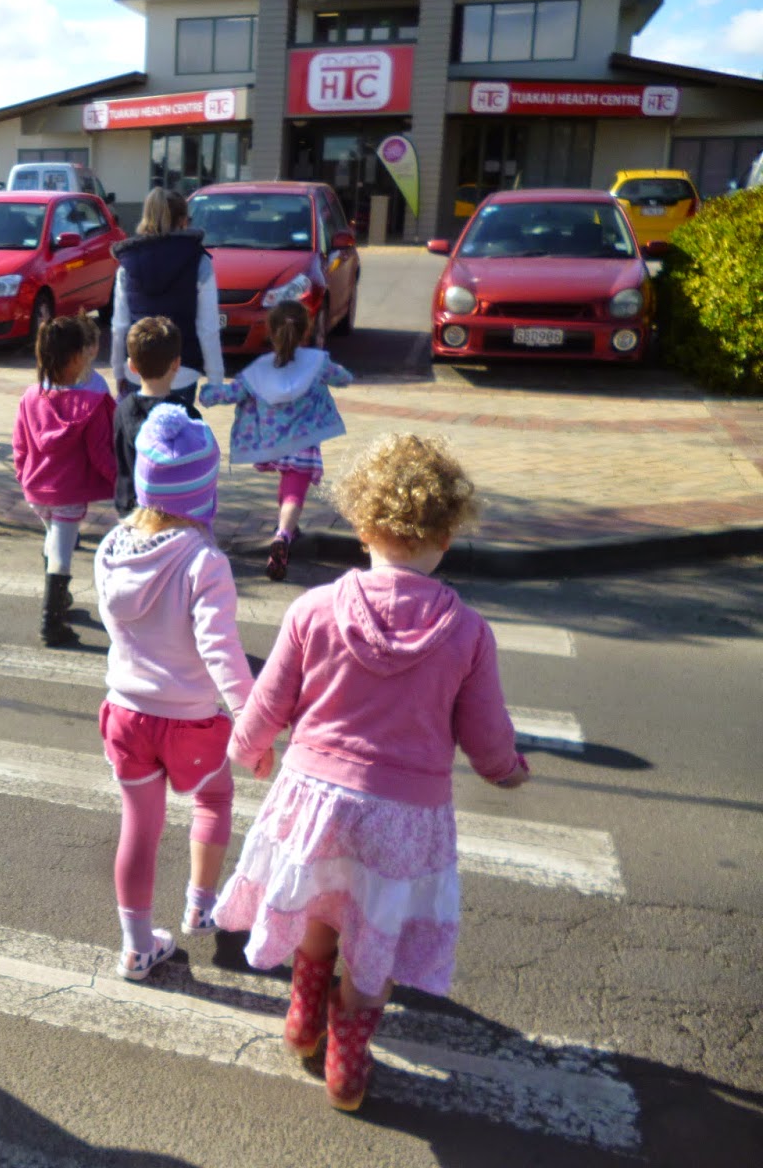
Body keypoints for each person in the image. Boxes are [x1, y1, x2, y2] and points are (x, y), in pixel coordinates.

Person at [212, 433, 530, 1111]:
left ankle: (303, 1022)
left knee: (323, 908)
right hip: (402, 815)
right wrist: (506, 769)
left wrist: (249, 748)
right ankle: (347, 1067)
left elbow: (271, 697)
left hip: (317, 799)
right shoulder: (469, 633)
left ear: (362, 528)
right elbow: (485, 733)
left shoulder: (314, 609)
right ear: (447, 535)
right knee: (373, 937)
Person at [95, 404, 256, 981]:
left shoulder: (111, 547)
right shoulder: (204, 562)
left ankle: (137, 946)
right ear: (203, 492)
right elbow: (221, 649)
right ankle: (201, 905)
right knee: (213, 799)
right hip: (190, 722)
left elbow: (117, 626)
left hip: (125, 714)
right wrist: (251, 718)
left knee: (139, 825)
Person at [200, 300, 352, 582]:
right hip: (304, 443)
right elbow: (344, 378)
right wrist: (341, 374)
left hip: (274, 445)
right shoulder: (317, 363)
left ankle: (289, 529)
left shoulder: (257, 370)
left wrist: (207, 393)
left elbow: (230, 393)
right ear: (305, 331)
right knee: (295, 492)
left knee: (287, 486)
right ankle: (283, 534)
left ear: (270, 331)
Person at [12, 314, 117, 648]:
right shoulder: (93, 403)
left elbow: (20, 444)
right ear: (76, 358)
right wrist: (122, 483)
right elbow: (101, 453)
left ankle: (61, 600)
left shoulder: (31, 396)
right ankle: (51, 621)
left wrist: (23, 475)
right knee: (62, 551)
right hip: (69, 492)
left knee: (52, 539)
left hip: (35, 488)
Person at [109, 187, 225, 407]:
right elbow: (208, 328)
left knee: (138, 439)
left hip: (138, 369)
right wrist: (216, 380)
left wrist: (118, 372)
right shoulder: (199, 261)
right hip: (182, 370)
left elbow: (119, 326)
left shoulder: (128, 262)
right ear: (183, 220)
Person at [111, 315, 201, 516]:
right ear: (177, 363)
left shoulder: (122, 410)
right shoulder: (187, 413)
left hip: (130, 507)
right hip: (173, 509)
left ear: (131, 366)